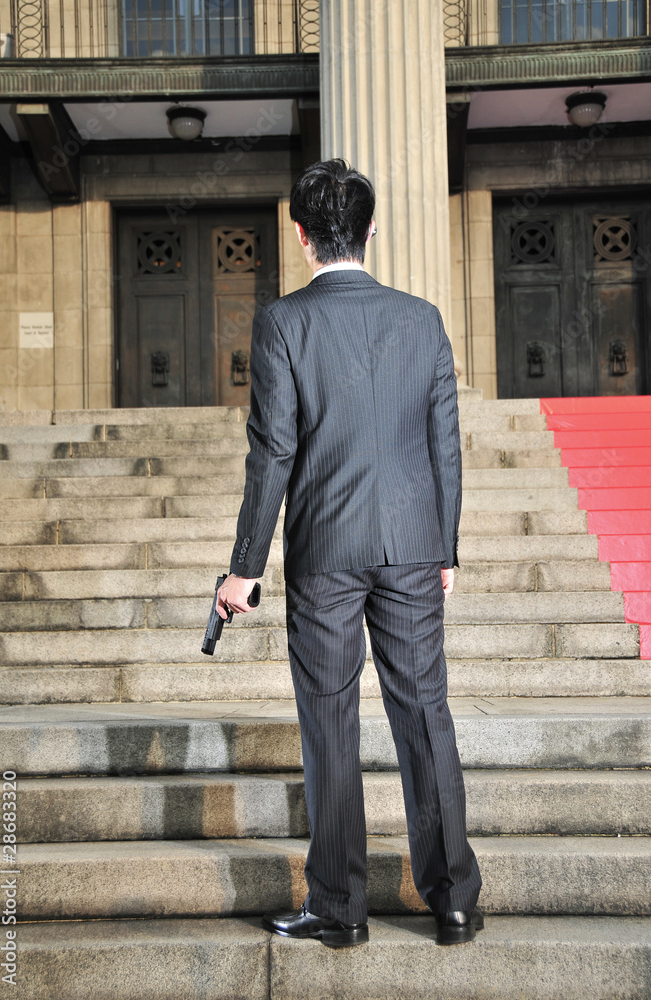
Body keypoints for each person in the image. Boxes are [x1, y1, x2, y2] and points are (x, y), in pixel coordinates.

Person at [216, 159, 482, 948]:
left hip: (326, 549)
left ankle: (339, 907)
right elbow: (444, 446)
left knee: (330, 723)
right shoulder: (422, 319)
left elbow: (273, 452)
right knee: (425, 713)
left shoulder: (284, 323)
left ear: (301, 235)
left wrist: (244, 567)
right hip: (410, 544)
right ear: (370, 230)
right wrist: (445, 548)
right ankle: (453, 900)